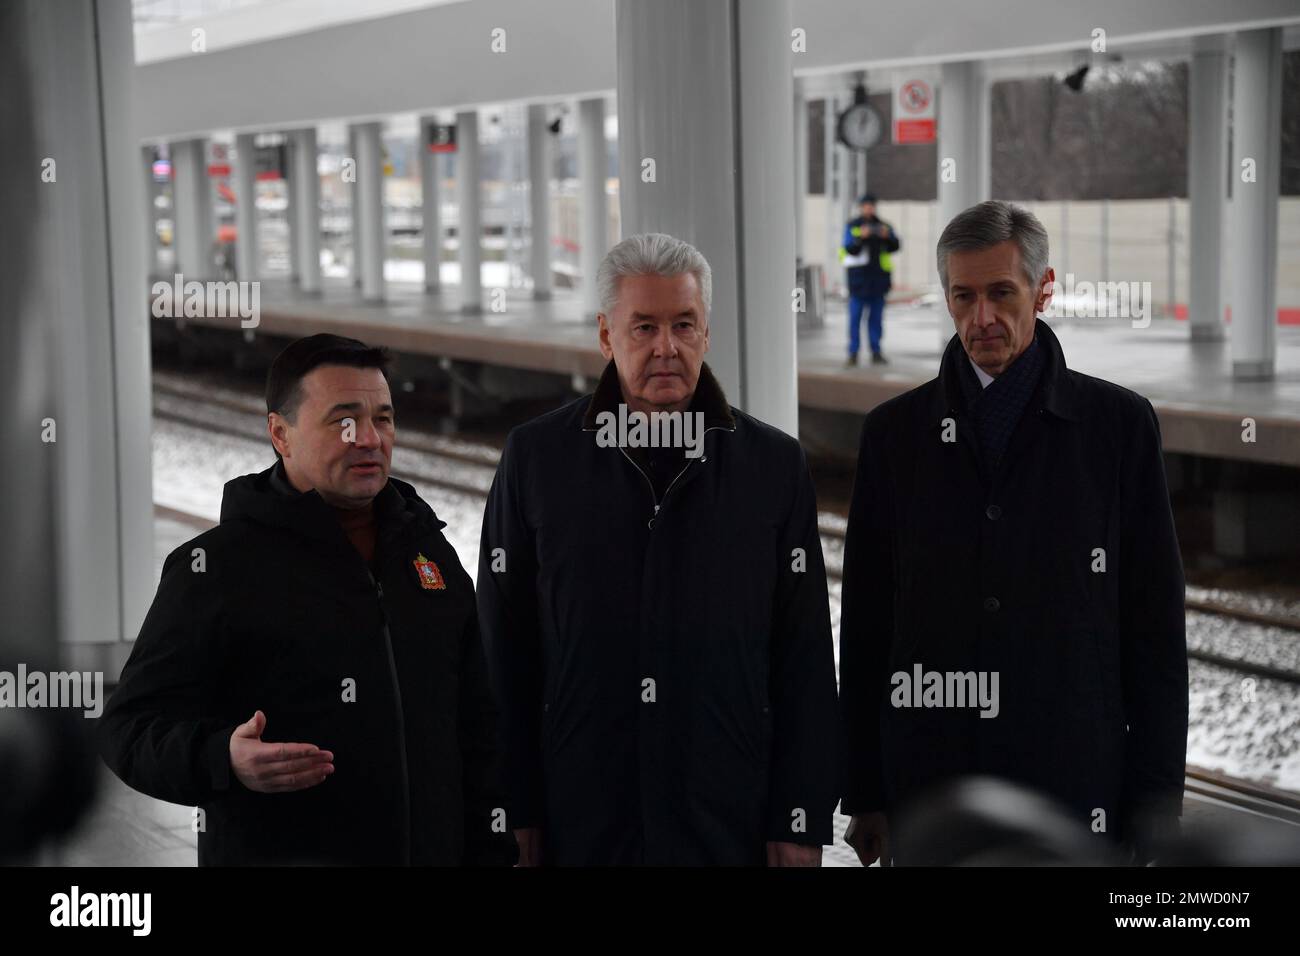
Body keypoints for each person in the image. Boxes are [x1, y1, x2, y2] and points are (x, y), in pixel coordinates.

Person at [839, 200, 1188, 866]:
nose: (982, 318)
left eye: (1002, 293)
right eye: (963, 296)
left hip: (1076, 790)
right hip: (929, 792)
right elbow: (865, 628)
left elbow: (1155, 632)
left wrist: (1156, 806)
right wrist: (865, 791)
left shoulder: (1118, 428)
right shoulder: (894, 436)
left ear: (1043, 289)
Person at [477, 233, 840, 866]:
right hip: (581, 815)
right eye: (643, 327)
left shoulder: (772, 465)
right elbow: (501, 649)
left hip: (727, 815)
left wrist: (799, 818)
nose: (664, 347)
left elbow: (803, 653)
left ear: (707, 333)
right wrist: (514, 808)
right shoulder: (535, 459)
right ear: (605, 335)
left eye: (683, 324)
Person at [100, 334, 511, 866]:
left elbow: (477, 727)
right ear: (280, 433)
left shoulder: (427, 555)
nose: (368, 438)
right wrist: (223, 757)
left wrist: (493, 848)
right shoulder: (216, 568)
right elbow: (127, 729)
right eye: (343, 421)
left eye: (383, 418)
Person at [842, 192, 900, 366]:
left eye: (871, 205)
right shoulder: (853, 226)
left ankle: (876, 351)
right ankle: (853, 353)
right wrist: (861, 237)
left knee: (876, 319)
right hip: (858, 282)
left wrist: (887, 237)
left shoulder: (884, 226)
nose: (869, 208)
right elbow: (848, 249)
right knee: (855, 319)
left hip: (878, 281)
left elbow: (896, 246)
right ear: (860, 207)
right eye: (866, 205)